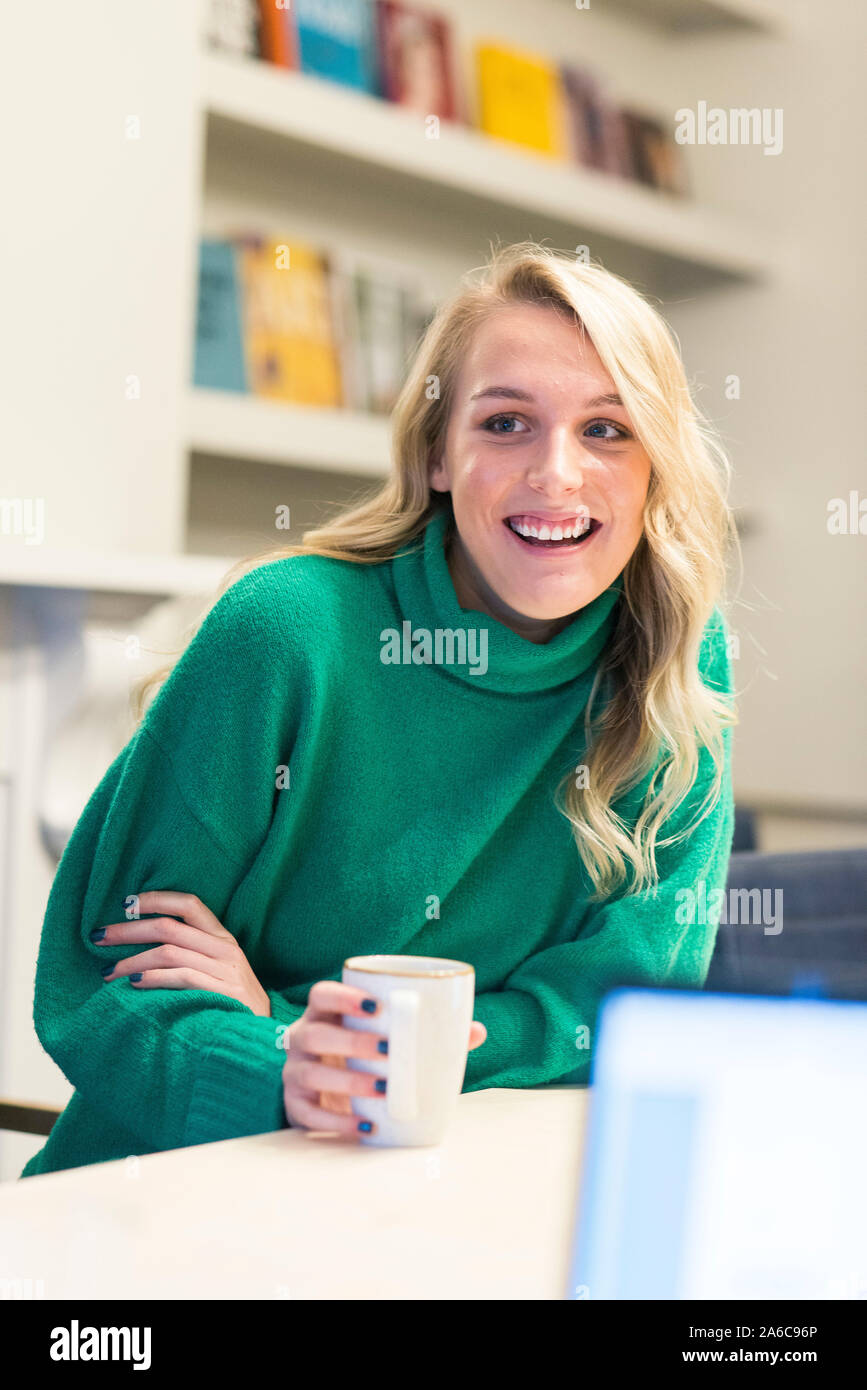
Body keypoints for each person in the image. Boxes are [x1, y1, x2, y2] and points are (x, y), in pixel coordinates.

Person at [22, 242, 736, 1177]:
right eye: (507, 422)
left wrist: (309, 1033)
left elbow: (626, 1004)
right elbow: (106, 978)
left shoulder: (674, 658)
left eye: (606, 430)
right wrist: (284, 1071)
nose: (556, 474)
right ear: (437, 453)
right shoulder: (286, 631)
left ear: (654, 467)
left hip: (459, 1190)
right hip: (171, 1191)